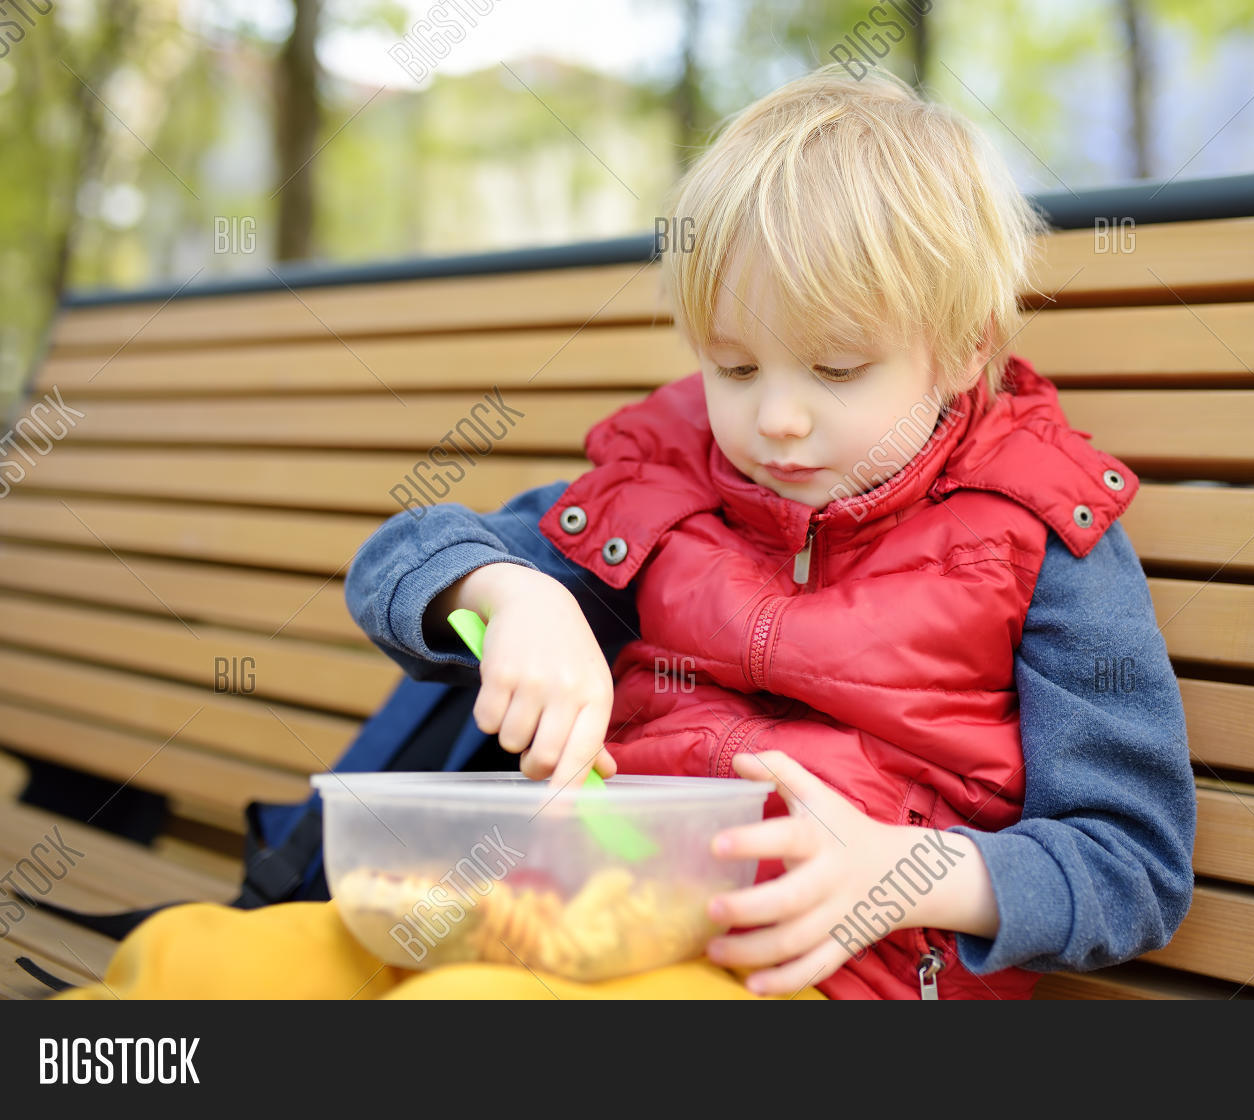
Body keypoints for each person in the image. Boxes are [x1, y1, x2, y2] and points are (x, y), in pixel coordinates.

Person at [56, 62, 1193, 1002]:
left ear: (959, 348)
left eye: (837, 369)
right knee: (192, 965)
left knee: (464, 1009)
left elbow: (1132, 863)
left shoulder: (1044, 535)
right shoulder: (667, 482)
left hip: (825, 974)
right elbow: (402, 561)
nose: (775, 417)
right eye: (734, 365)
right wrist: (515, 597)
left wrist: (911, 872)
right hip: (584, 902)